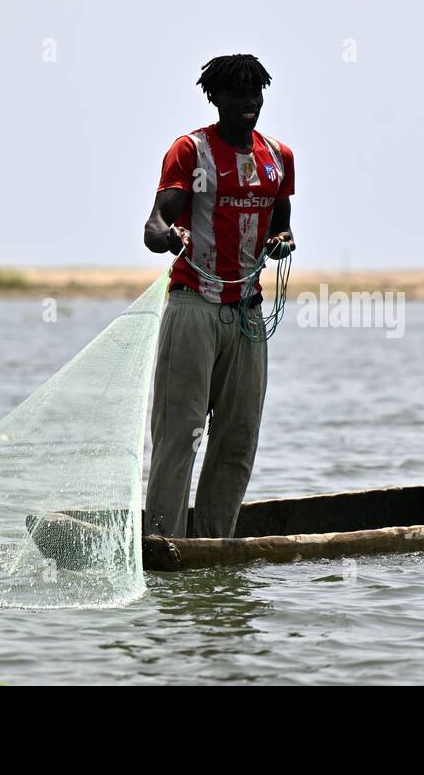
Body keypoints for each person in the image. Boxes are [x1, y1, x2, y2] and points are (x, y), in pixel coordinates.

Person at [142, 54, 295, 538]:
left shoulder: (278, 157)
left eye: (256, 93)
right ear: (215, 97)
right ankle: (162, 542)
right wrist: (166, 237)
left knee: (237, 439)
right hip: (193, 306)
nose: (249, 102)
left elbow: (282, 226)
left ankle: (214, 546)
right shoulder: (190, 152)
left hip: (249, 316)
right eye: (237, 94)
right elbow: (154, 224)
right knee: (178, 436)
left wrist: (281, 243)